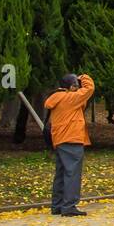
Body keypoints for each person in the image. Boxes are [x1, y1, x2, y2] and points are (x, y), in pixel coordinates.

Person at [44, 72, 95, 216]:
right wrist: (83, 77)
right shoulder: (71, 98)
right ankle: (69, 206)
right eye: (76, 85)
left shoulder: (57, 97)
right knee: (72, 173)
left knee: (60, 173)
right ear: (72, 86)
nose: (78, 88)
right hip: (72, 139)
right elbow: (90, 89)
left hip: (59, 139)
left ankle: (57, 205)